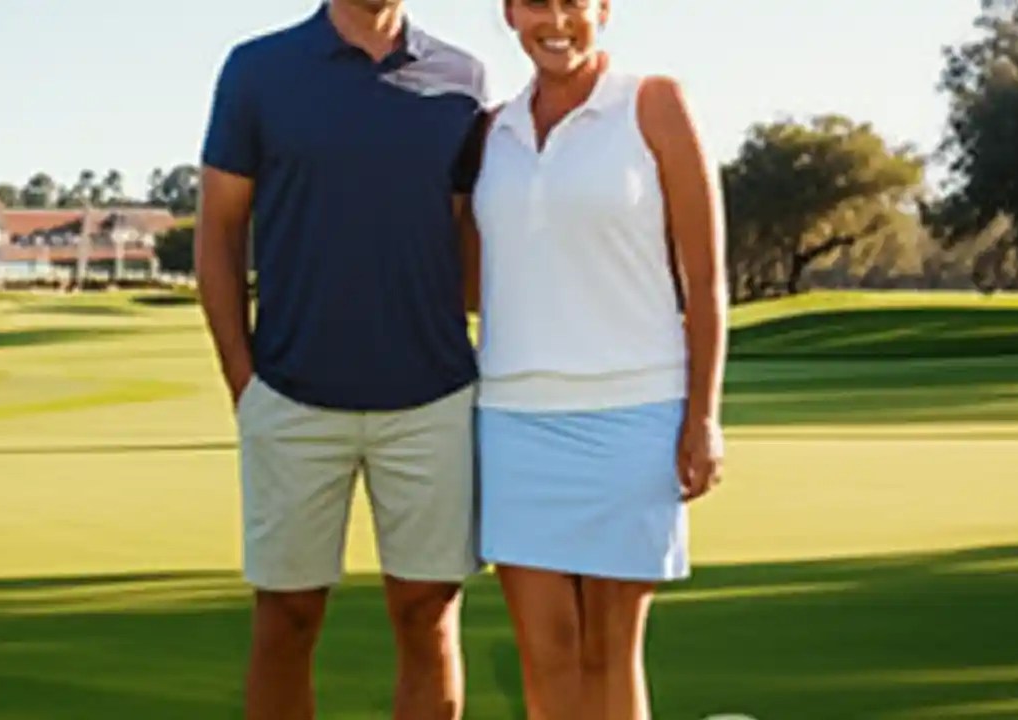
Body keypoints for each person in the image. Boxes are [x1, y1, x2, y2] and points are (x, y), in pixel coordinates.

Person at [195, 1, 488, 718]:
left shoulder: (463, 80)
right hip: (292, 396)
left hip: (434, 398)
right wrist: (245, 381)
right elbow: (219, 231)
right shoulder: (257, 70)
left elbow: (469, 244)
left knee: (428, 619)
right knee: (286, 623)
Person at [470, 1, 729, 717]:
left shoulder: (654, 104)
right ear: (509, 13)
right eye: (535, 4)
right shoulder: (494, 128)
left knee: (610, 653)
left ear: (603, 10)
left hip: (634, 414)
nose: (555, 20)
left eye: (573, 3)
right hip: (515, 419)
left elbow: (705, 279)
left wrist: (703, 417)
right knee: (544, 656)